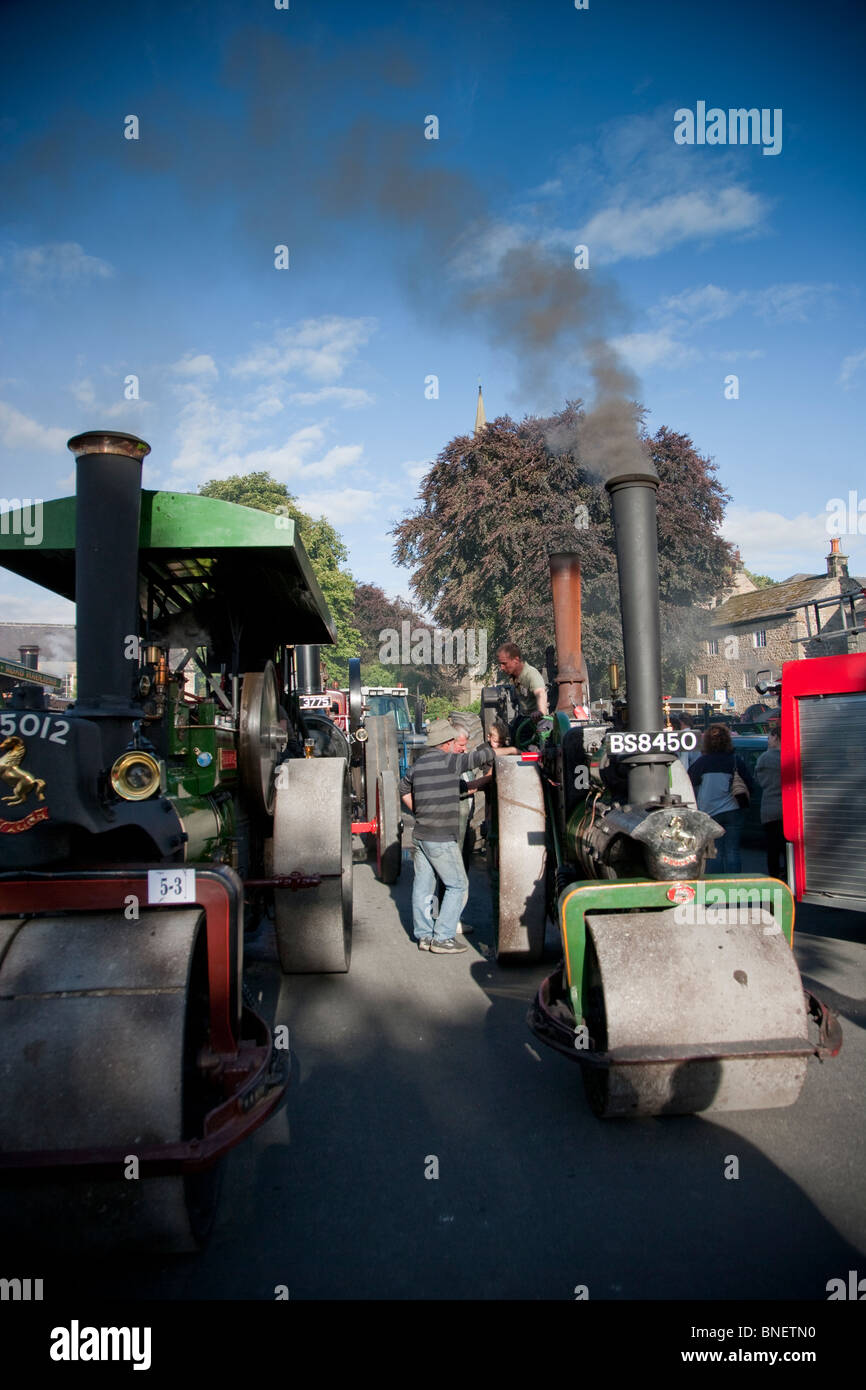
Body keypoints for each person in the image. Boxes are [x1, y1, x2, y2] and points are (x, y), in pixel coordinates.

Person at [400, 718, 495, 953]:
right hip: (441, 837)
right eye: (453, 741)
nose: (456, 745)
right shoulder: (449, 762)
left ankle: (424, 936)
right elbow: (477, 758)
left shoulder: (419, 765)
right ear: (445, 743)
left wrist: (419, 810)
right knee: (458, 885)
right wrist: (505, 749)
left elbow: (403, 789)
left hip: (421, 834)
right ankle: (443, 937)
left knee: (423, 886)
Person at [689, 723, 755, 873]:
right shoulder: (735, 760)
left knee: (714, 852)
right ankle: (735, 884)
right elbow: (750, 784)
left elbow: (690, 781)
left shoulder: (702, 762)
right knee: (732, 850)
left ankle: (716, 884)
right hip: (733, 809)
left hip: (710, 812)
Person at [755, 723, 785, 879]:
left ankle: (774, 877)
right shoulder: (790, 755)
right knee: (788, 846)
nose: (768, 739)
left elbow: (758, 780)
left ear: (776, 737)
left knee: (772, 847)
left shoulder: (765, 758)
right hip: (788, 808)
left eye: (770, 736)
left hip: (770, 809)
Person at [496, 643, 548, 717]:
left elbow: (540, 693)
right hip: (525, 717)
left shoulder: (531, 674)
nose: (502, 667)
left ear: (516, 660)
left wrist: (541, 712)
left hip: (538, 719)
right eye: (500, 664)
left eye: (504, 663)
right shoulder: (514, 676)